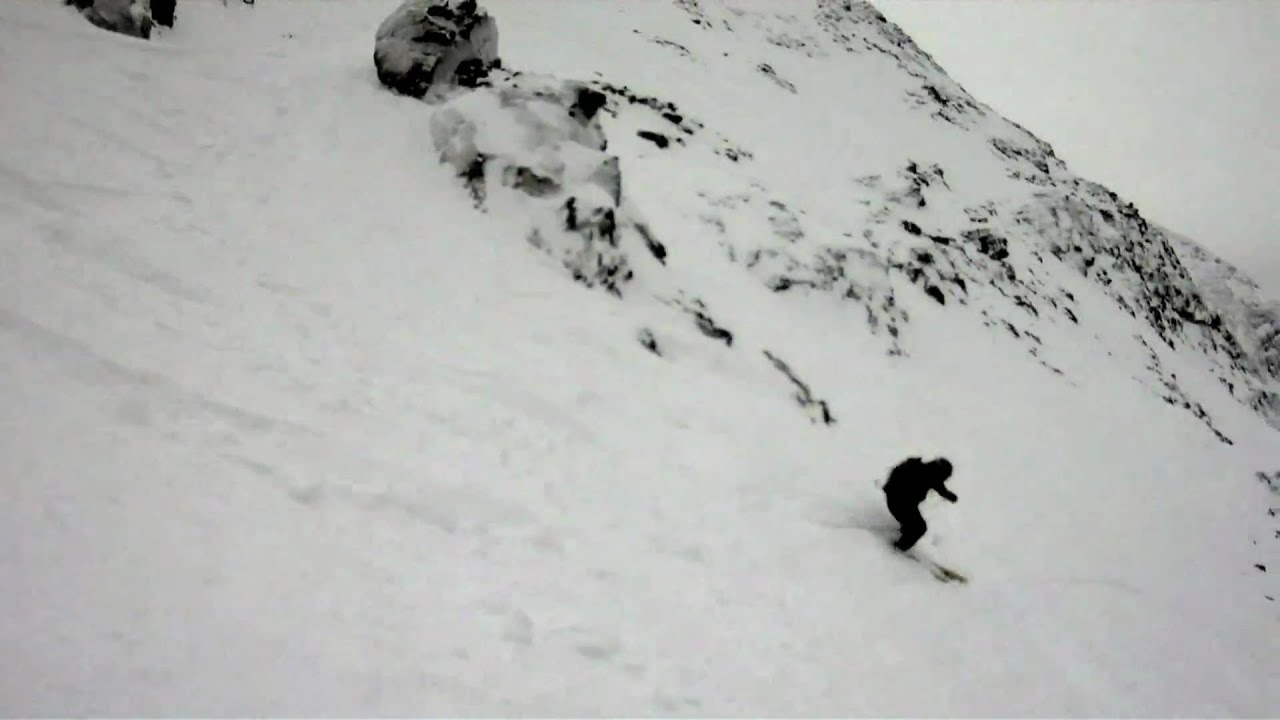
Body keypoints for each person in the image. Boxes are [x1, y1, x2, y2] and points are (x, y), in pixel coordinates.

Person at [883, 456, 957, 551]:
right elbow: (935, 482)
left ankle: (904, 535)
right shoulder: (920, 473)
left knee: (913, 524)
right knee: (919, 528)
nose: (943, 480)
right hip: (898, 502)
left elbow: (937, 484)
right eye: (944, 477)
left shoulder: (928, 472)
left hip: (903, 502)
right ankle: (898, 549)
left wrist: (948, 495)